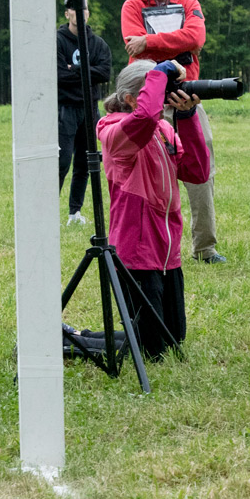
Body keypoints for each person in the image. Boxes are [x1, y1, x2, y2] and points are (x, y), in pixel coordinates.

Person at [96, 60, 212, 359]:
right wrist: (159, 72)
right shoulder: (112, 131)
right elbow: (144, 116)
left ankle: (97, 337)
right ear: (132, 98)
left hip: (166, 251)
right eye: (159, 91)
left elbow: (196, 172)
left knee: (174, 341)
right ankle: (73, 339)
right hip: (136, 253)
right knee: (151, 349)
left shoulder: (163, 129)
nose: (164, 100)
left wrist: (186, 117)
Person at [120, 0, 224, 264]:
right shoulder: (132, 5)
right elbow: (132, 46)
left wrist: (151, 42)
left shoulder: (189, 3)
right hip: (148, 100)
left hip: (187, 97)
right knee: (147, 173)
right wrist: (173, 45)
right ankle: (150, 246)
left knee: (201, 168)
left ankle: (205, 247)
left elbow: (195, 37)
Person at [57, 0, 112, 223]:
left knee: (85, 161)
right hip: (65, 108)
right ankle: (48, 211)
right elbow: (58, 74)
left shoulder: (97, 44)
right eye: (75, 9)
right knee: (61, 161)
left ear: (88, 13)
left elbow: (105, 73)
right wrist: (89, 72)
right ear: (67, 14)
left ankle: (74, 212)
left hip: (90, 109)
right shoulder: (58, 41)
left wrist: (75, 69)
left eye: (84, 8)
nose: (81, 13)